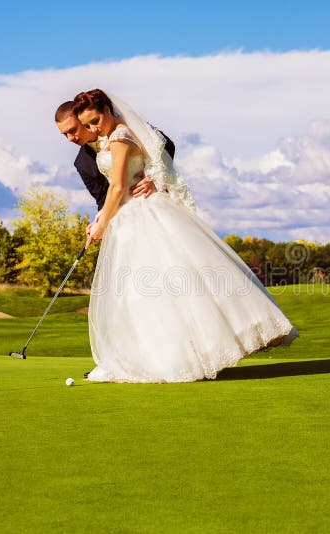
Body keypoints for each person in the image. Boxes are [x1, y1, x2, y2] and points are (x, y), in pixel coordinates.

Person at [71, 88, 298, 383]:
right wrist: (101, 218)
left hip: (143, 216)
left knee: (159, 288)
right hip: (128, 216)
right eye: (87, 125)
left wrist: (104, 223)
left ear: (109, 110)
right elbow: (118, 188)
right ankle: (153, 356)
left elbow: (116, 189)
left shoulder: (120, 137)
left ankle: (179, 359)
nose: (93, 129)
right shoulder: (110, 139)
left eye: (95, 120)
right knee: (140, 295)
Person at [54, 101, 176, 210]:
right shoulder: (82, 163)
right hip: (127, 216)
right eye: (65, 134)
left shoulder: (123, 129)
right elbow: (102, 200)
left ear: (82, 119)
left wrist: (155, 178)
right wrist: (98, 223)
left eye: (72, 130)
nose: (70, 138)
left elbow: (167, 145)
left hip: (157, 203)